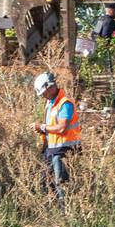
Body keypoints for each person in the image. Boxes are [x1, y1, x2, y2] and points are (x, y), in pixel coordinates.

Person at [33, 70, 81, 204]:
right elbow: (52, 127)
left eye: (44, 93)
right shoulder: (51, 104)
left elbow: (62, 128)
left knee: (62, 184)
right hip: (53, 150)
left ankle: (66, 213)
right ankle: (55, 209)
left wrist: (42, 127)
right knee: (47, 180)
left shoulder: (64, 104)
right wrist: (43, 131)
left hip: (64, 150)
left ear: (50, 87)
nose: (43, 96)